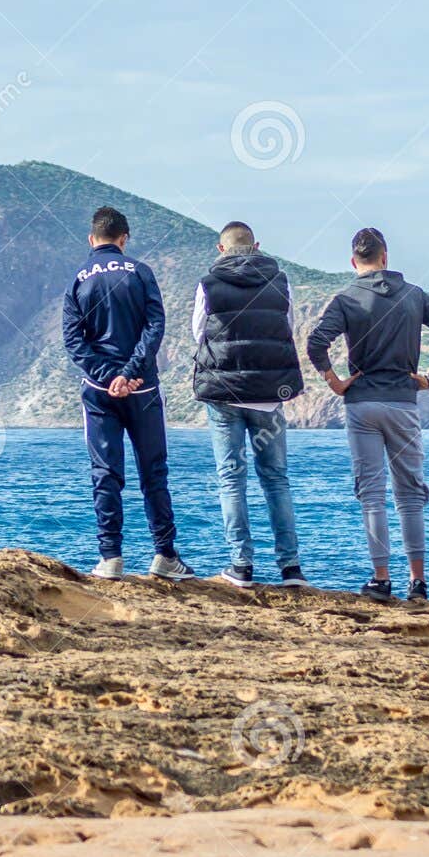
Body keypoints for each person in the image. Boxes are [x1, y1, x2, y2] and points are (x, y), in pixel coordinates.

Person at [305, 227, 429, 602]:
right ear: (386, 257)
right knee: (410, 494)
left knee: (372, 494)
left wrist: (334, 381)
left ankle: (381, 579)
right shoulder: (414, 295)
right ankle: (418, 583)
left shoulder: (347, 298)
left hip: (361, 404)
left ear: (353, 261)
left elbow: (316, 342)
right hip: (403, 402)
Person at [62, 205, 193, 581]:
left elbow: (73, 341)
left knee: (105, 473)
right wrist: (130, 373)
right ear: (124, 239)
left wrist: (108, 377)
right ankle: (165, 556)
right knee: (154, 472)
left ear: (92, 240)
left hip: (99, 392)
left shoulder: (78, 279)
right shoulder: (141, 272)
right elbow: (155, 326)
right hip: (144, 389)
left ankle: (111, 558)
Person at [190, 221, 307, 587]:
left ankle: (241, 566)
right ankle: (290, 569)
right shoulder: (280, 282)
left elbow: (198, 331)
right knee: (276, 480)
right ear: (256, 246)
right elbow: (286, 327)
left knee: (231, 479)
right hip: (270, 396)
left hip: (224, 395)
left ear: (220, 249)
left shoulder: (208, 284)